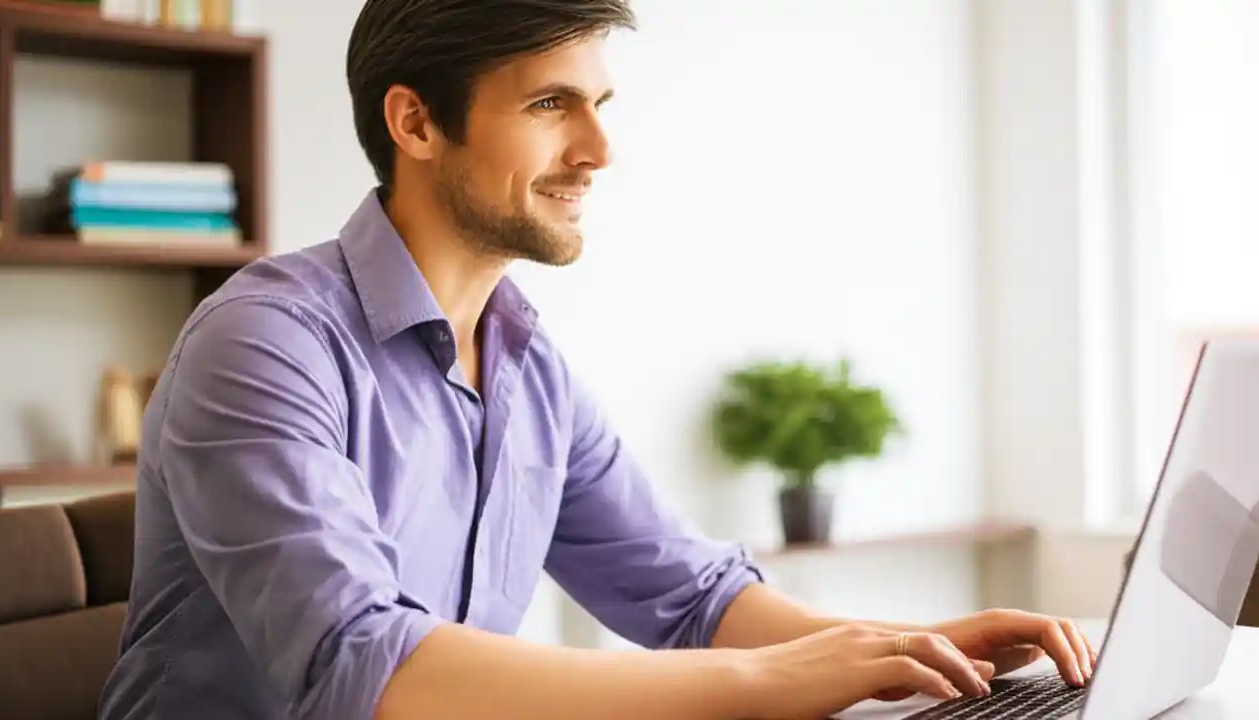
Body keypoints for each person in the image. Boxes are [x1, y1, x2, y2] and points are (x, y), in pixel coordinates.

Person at [98, 1, 1096, 718]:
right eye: (549, 105)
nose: (597, 149)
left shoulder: (527, 370)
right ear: (414, 122)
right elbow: (371, 668)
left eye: (599, 103)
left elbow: (691, 596)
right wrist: (769, 686)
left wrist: (897, 650)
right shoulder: (264, 343)